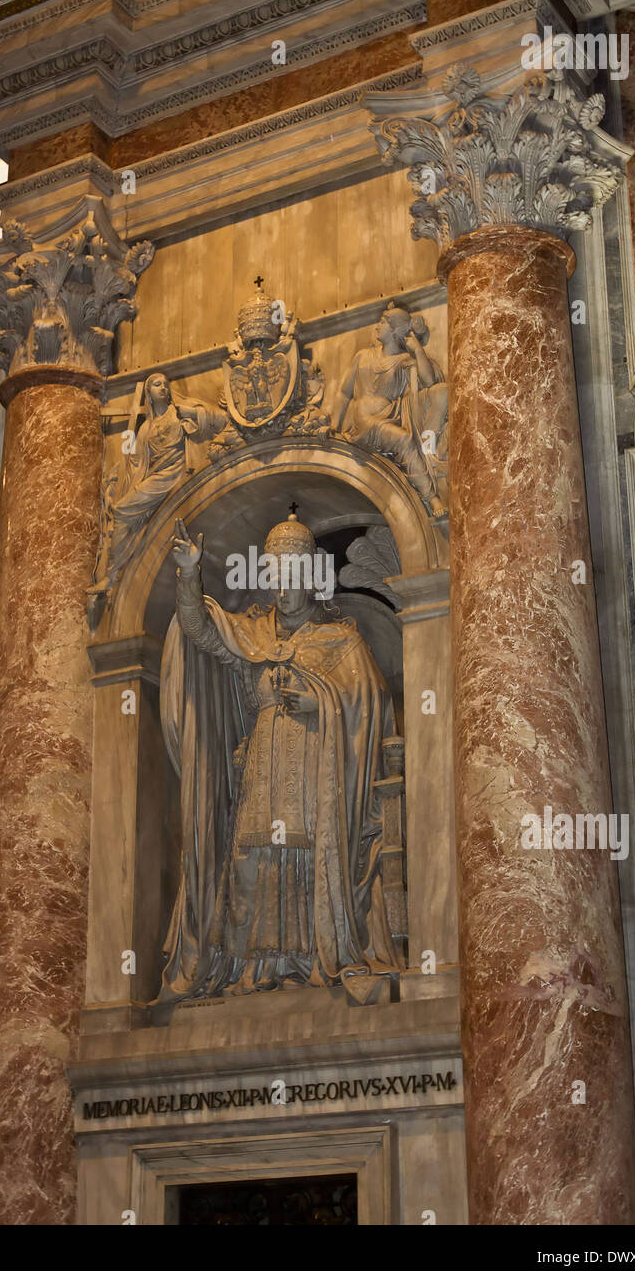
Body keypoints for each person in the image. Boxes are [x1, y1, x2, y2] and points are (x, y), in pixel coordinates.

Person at [157, 510, 402, 1003]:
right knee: (252, 858)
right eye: (276, 581)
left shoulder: (344, 641)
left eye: (293, 580)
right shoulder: (253, 634)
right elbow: (201, 631)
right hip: (262, 770)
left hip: (319, 772)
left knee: (308, 855)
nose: (284, 592)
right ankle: (254, 971)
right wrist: (188, 573)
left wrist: (324, 704)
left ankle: (313, 960)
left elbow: (373, 710)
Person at [89, 372, 226, 606]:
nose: (163, 387)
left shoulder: (179, 411)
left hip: (175, 473)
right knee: (121, 510)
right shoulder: (145, 429)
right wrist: (117, 480)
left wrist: (194, 413)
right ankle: (113, 574)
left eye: (165, 384)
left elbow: (220, 420)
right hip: (155, 477)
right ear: (149, 394)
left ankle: (111, 576)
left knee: (122, 511)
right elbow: (137, 464)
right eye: (157, 384)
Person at [331, 303, 448, 515]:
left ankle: (430, 466)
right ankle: (432, 499)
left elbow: (429, 380)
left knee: (439, 395)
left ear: (395, 330)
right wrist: (333, 427)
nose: (377, 325)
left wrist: (418, 349)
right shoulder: (363, 356)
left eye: (383, 321)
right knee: (404, 440)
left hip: (390, 415)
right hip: (365, 420)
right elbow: (343, 394)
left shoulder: (403, 359)